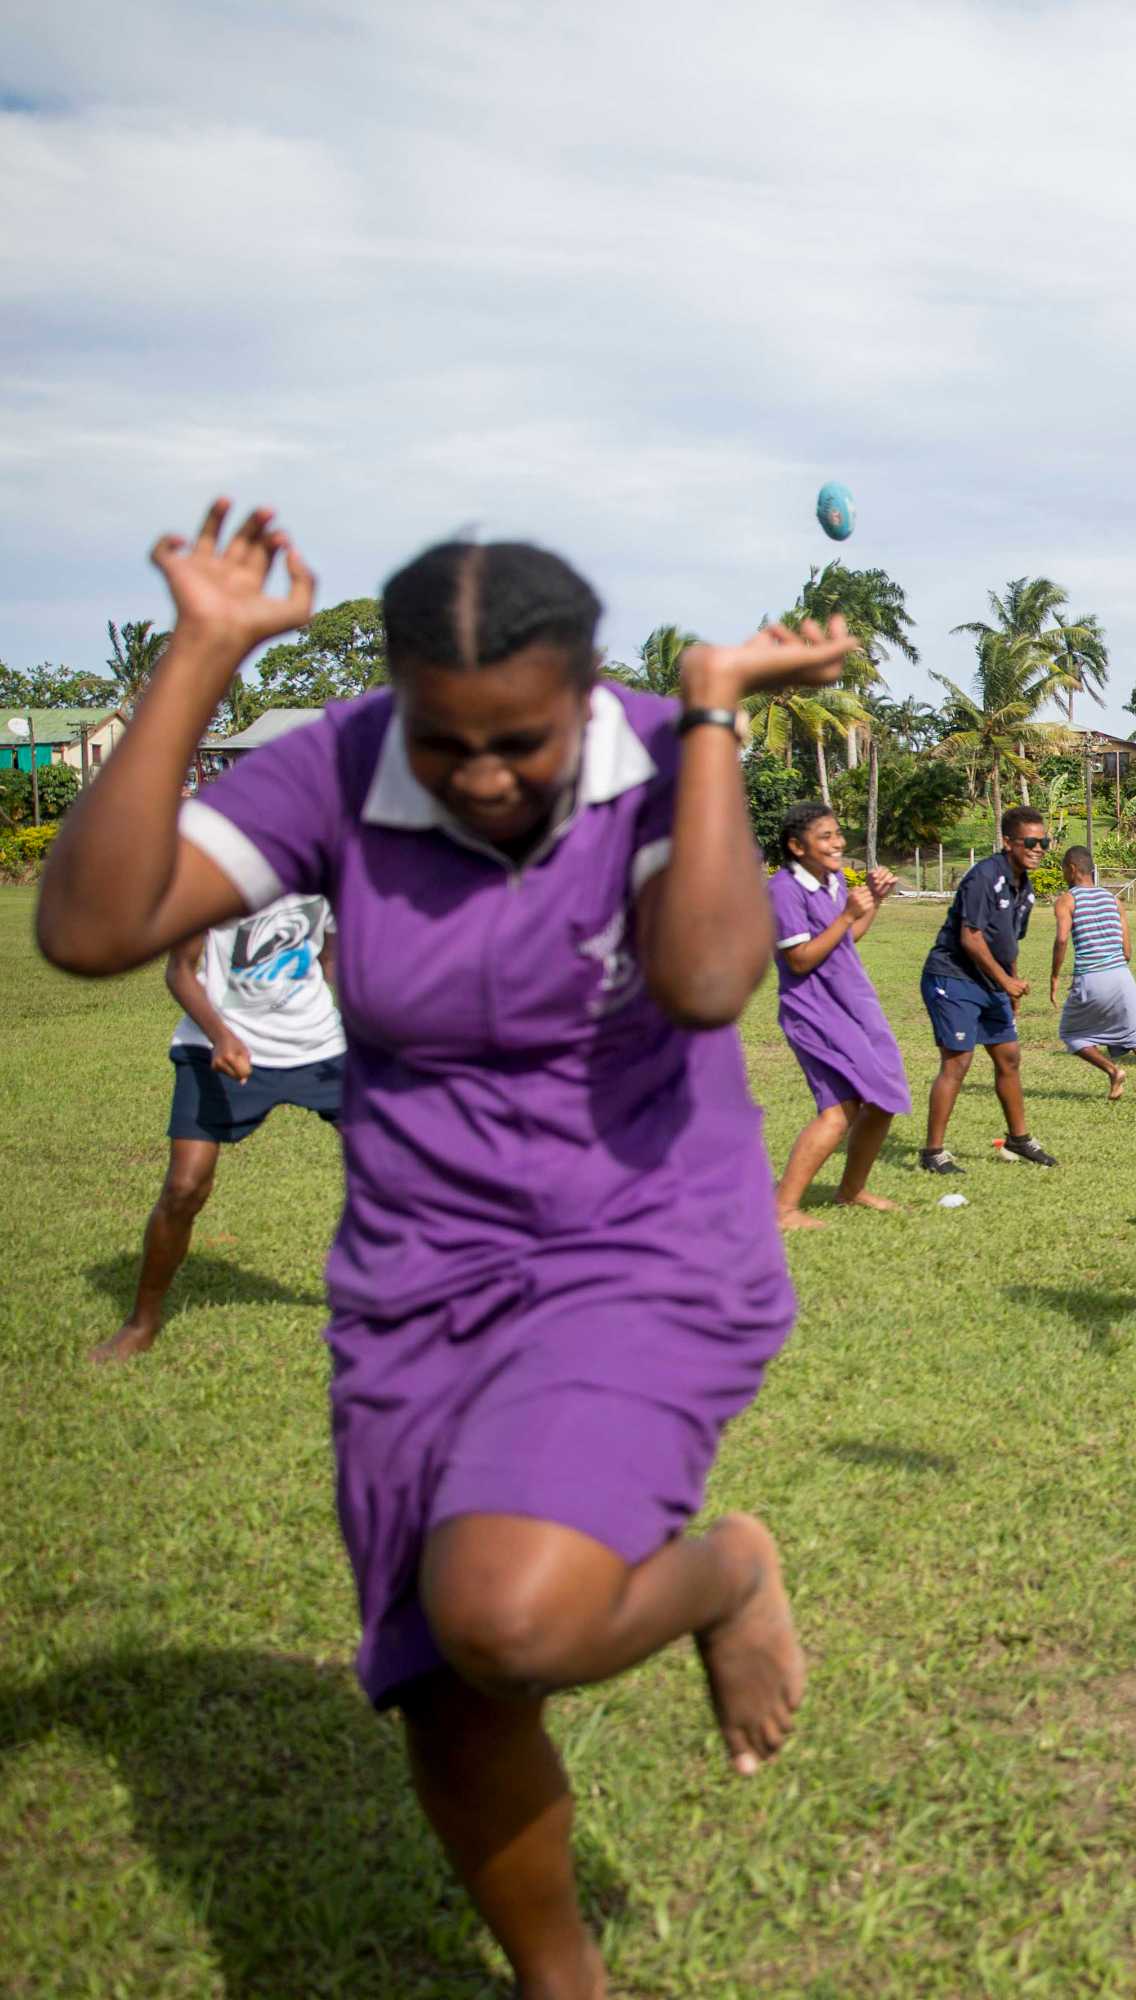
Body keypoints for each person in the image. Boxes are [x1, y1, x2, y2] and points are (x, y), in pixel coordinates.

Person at [37, 500, 836, 1998]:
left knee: (504, 1616)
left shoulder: (665, 750)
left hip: (642, 1247)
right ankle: (560, 1980)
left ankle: (725, 1571)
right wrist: (201, 656)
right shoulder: (341, 761)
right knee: (445, 1683)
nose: (478, 777)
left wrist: (716, 720)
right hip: (415, 1276)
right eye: (442, 741)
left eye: (518, 744)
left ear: (589, 697)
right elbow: (91, 930)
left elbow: (713, 974)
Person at [94, 892, 347, 1361]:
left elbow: (330, 960)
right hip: (218, 1045)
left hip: (318, 1048)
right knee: (185, 1187)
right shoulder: (213, 878)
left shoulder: (321, 874)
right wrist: (222, 1036)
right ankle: (142, 1322)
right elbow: (180, 972)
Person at [767, 801, 909, 1230]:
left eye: (837, 834)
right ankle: (783, 1210)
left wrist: (873, 905)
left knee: (882, 1100)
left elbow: (845, 941)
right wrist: (849, 911)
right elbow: (800, 960)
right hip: (814, 1010)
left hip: (853, 1006)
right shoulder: (784, 889)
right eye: (825, 836)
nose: (837, 843)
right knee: (839, 1109)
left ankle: (851, 1191)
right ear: (796, 846)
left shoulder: (831, 881)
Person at [917, 806, 1057, 1172]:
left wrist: (1009, 986)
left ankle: (1019, 1139)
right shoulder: (984, 877)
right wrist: (1006, 981)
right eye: (1031, 841)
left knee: (1009, 1056)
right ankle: (933, 1152)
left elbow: (1008, 942)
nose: (1039, 847)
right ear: (1007, 842)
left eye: (1044, 841)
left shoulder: (1025, 887)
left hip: (990, 982)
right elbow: (971, 938)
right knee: (958, 1060)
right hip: (953, 976)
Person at [1049, 846, 1136, 1108]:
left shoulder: (1068, 900)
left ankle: (1113, 1071)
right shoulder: (1114, 901)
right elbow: (1127, 950)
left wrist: (1055, 977)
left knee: (1072, 1034)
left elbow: (1062, 938)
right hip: (1123, 978)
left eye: (1063, 868)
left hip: (1090, 977)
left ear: (1073, 869)